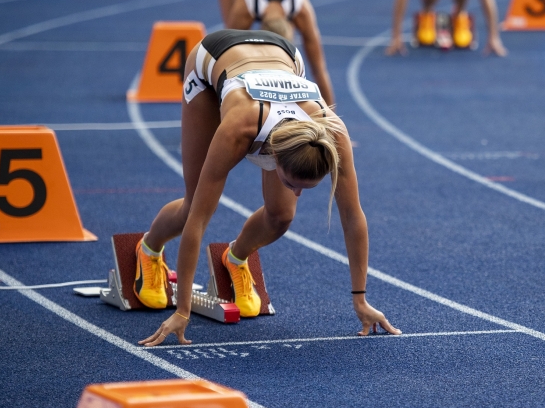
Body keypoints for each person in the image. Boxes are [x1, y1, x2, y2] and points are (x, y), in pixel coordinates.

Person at [137, 29, 399, 346]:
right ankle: (149, 248)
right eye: (292, 183)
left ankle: (234, 258)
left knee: (281, 216)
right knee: (193, 205)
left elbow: (353, 216)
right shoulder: (238, 128)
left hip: (285, 57)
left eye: (306, 187)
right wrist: (182, 310)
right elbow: (198, 222)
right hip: (214, 60)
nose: (299, 192)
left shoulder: (333, 133)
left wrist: (360, 300)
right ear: (273, 155)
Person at [214, 0, 335, 106]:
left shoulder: (301, 10)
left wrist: (331, 122)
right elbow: (224, 66)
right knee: (228, 44)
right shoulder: (245, 10)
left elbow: (319, 70)